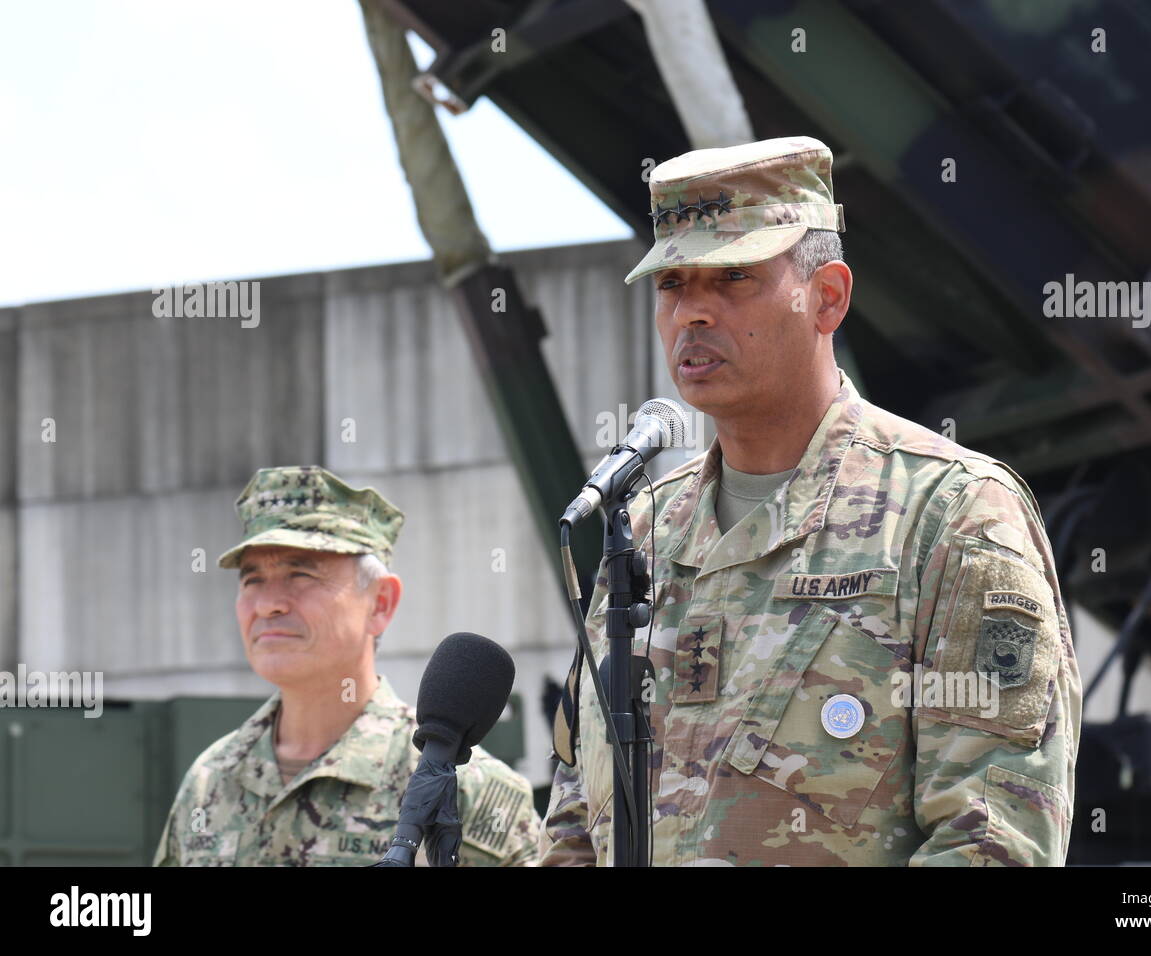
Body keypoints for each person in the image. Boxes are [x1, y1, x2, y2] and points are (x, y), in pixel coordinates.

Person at [540, 136, 1081, 866]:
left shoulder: (951, 516)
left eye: (732, 277)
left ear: (827, 296)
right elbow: (574, 827)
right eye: (672, 284)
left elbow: (993, 840)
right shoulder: (638, 534)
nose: (692, 312)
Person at [154, 465, 539, 866]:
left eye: (301, 574)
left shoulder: (462, 788)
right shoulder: (210, 781)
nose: (269, 604)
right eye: (252, 580)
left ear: (380, 603)